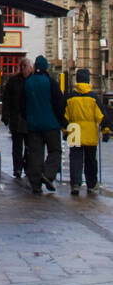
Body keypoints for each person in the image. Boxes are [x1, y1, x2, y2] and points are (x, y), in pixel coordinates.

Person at [22, 55, 66, 194]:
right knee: (55, 151)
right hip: (51, 124)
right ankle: (48, 174)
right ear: (46, 67)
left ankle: (36, 185)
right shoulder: (51, 82)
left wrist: (28, 118)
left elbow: (21, 104)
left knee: (35, 154)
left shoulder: (28, 82)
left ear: (35, 67)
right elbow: (59, 104)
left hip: (33, 125)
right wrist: (61, 121)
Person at [63, 67, 109, 196]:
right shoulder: (93, 98)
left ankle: (76, 184)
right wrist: (105, 130)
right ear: (88, 81)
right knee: (90, 160)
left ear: (77, 80)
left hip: (75, 131)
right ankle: (91, 183)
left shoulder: (70, 98)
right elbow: (102, 116)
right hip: (90, 133)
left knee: (75, 159)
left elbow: (65, 117)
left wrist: (64, 131)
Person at [1, 56, 32, 181]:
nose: (24, 69)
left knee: (29, 146)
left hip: (29, 119)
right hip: (16, 118)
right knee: (17, 146)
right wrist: (5, 115)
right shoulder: (13, 81)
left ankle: (27, 167)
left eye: (26, 66)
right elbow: (6, 99)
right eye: (22, 66)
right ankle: (17, 168)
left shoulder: (32, 80)